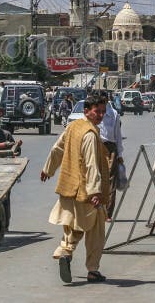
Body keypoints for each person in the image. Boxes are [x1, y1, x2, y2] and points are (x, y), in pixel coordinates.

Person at [41, 95, 111, 284]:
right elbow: (91, 164)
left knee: (74, 226)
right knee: (95, 232)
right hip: (86, 192)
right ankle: (92, 270)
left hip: (69, 188)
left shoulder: (72, 127)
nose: (101, 115)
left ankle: (64, 251)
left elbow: (58, 148)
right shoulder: (89, 134)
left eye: (103, 112)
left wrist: (48, 169)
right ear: (87, 111)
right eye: (97, 111)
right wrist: (96, 191)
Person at [97, 92, 124, 220]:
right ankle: (97, 210)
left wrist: (119, 154)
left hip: (111, 149)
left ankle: (108, 213)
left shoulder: (113, 114)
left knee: (111, 181)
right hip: (97, 146)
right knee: (97, 179)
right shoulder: (94, 113)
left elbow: (118, 135)